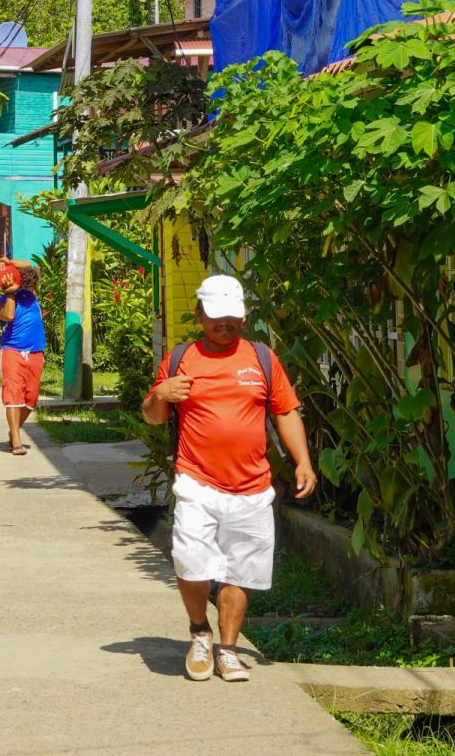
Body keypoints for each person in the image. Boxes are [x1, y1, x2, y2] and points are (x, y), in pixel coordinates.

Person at [140, 273, 316, 684]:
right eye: (216, 317)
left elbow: (286, 412)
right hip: (197, 482)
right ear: (200, 314)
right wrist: (160, 395)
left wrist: (303, 461)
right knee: (191, 564)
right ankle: (200, 630)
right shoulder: (181, 359)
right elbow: (152, 417)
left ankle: (228, 649)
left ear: (243, 315)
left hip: (252, 489)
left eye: (232, 317)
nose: (225, 325)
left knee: (239, 573)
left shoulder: (263, 359)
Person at [0, 260, 45, 456]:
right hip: (12, 351)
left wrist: (8, 262)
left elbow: (31, 265)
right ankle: (16, 439)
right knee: (13, 397)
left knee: (31, 399)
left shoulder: (33, 294)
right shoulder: (3, 300)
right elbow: (7, 316)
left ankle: (13, 430)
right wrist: (9, 292)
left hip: (36, 351)